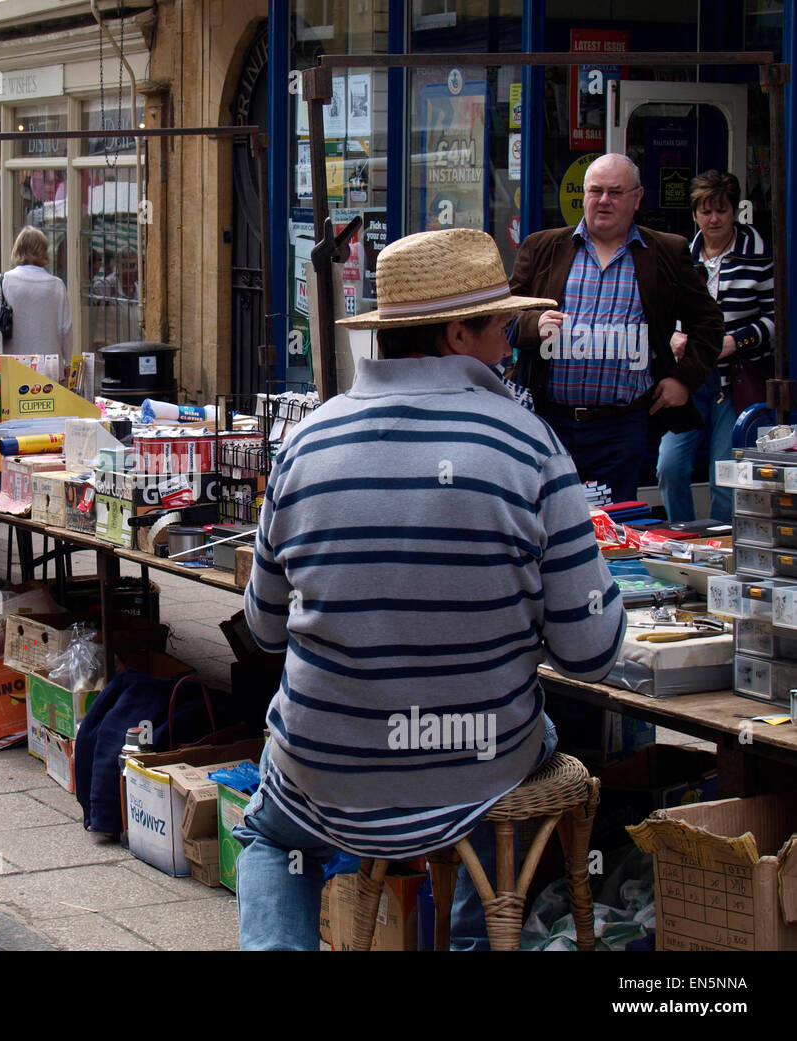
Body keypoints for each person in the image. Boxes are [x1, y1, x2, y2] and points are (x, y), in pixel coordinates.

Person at [236, 228, 626, 951]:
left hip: (326, 762)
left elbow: (262, 628)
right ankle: (475, 939)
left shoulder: (306, 443)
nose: (509, 350)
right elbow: (591, 652)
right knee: (522, 745)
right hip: (479, 756)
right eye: (501, 330)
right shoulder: (531, 446)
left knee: (267, 836)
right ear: (457, 333)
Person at [509, 152, 724, 504]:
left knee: (614, 530)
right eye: (595, 191)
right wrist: (533, 325)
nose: (603, 201)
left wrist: (684, 379)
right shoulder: (544, 247)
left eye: (615, 192)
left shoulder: (666, 253)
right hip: (548, 422)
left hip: (621, 426)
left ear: (637, 198)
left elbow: (709, 322)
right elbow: (501, 318)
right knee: (546, 521)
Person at [657, 170, 775, 523]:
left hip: (735, 381)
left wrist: (735, 341)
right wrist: (670, 336)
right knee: (669, 466)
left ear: (734, 211)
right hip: (689, 379)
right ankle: (682, 538)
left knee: (725, 477)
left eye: (721, 210)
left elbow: (776, 319)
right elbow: (658, 313)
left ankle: (723, 551)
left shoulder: (759, 255)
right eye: (705, 212)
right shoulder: (679, 254)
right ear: (694, 214)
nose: (713, 219)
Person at [0, 225, 73, 361]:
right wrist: (67, 361)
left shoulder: (3, 281)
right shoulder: (57, 285)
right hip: (48, 365)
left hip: (13, 366)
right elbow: (66, 330)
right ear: (44, 251)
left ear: (17, 249)